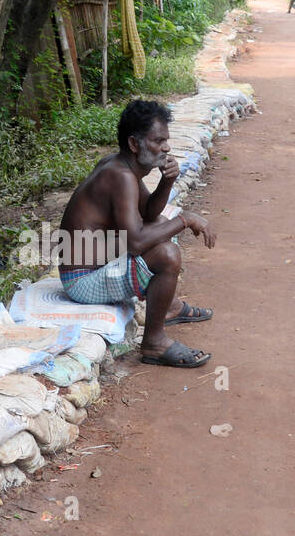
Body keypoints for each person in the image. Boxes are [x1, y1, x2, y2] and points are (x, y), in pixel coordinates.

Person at [58, 100, 216, 368]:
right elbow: (135, 243)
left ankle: (169, 307)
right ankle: (154, 342)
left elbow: (151, 214)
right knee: (166, 252)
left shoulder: (122, 167)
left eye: (166, 140)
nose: (166, 147)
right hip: (81, 282)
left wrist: (167, 182)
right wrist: (186, 219)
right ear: (134, 144)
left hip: (100, 262)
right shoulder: (120, 176)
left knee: (163, 225)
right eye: (158, 140)